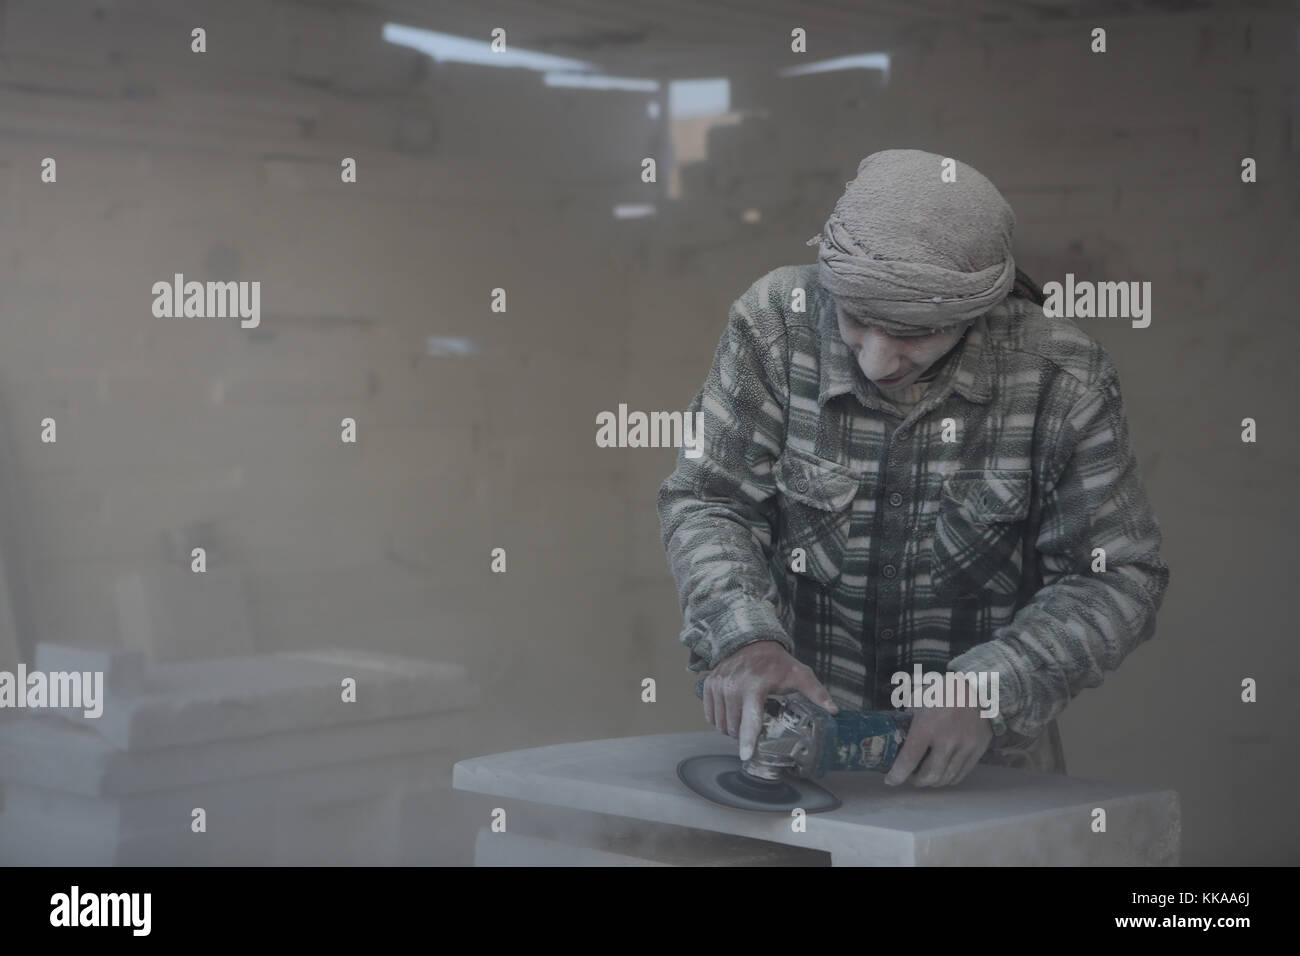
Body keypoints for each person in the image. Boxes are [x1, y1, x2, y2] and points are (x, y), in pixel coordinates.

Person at [657, 149, 1169, 787]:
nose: (876, 362)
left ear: (976, 310)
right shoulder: (776, 327)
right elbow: (710, 501)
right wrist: (744, 638)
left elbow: (1119, 576)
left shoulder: (1060, 380)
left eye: (913, 333)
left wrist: (990, 687)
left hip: (978, 777)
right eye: (855, 320)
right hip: (790, 758)